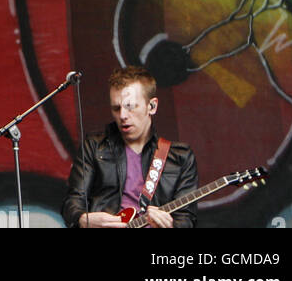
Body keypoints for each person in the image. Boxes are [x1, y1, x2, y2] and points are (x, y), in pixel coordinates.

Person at [63, 65, 198, 228]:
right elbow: (72, 202)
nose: (122, 116)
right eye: (116, 108)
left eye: (130, 107)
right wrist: (83, 219)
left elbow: (187, 219)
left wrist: (171, 226)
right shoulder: (94, 146)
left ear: (152, 106)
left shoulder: (180, 157)